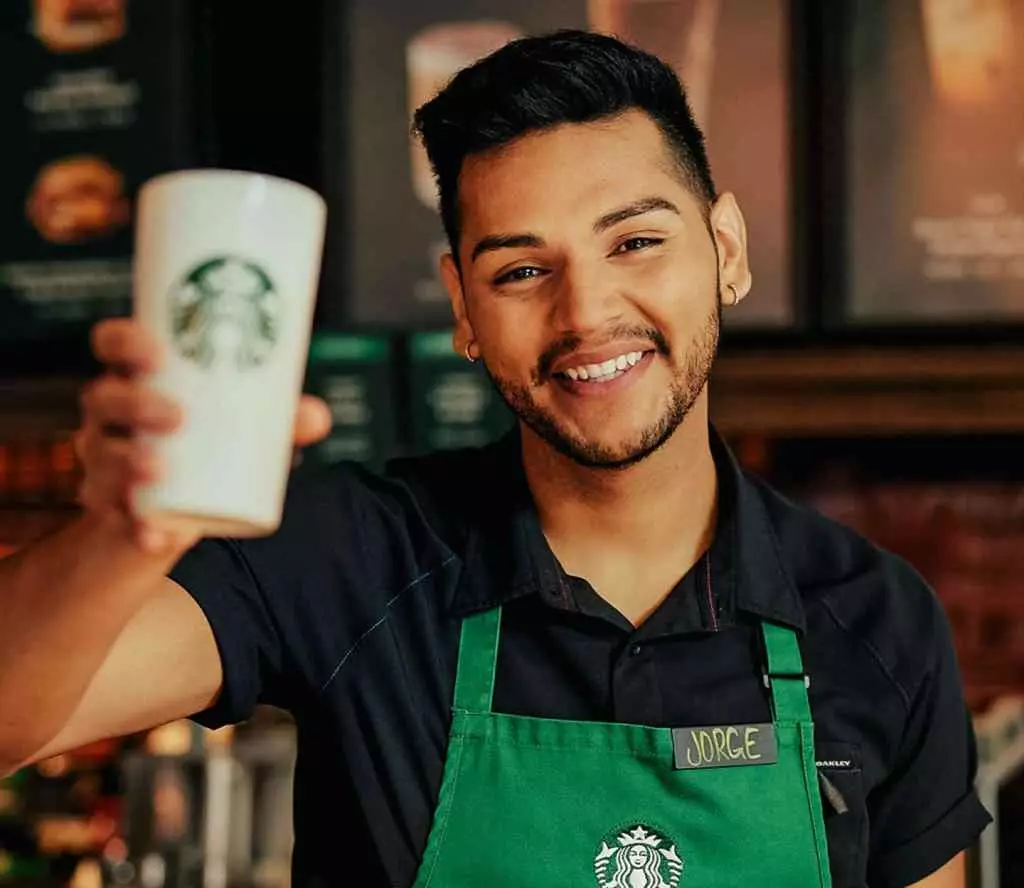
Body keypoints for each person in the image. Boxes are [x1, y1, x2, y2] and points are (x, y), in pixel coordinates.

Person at [0, 30, 991, 888]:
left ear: (725, 249)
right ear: (464, 311)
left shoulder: (873, 619)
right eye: (520, 271)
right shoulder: (347, 556)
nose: (586, 312)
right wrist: (119, 536)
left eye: (635, 242)